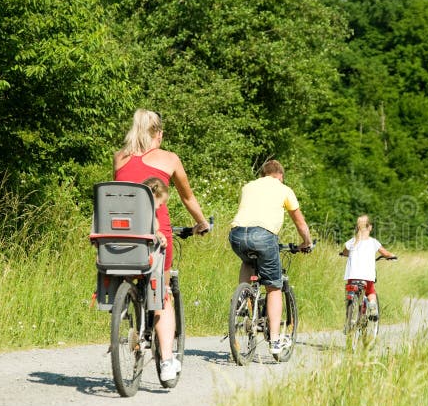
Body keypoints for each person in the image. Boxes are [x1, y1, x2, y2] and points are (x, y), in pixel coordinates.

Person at [114, 109, 211, 381]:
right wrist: (202, 223)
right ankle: (167, 361)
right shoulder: (169, 159)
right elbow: (187, 198)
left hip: (120, 239)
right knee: (163, 295)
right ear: (158, 134)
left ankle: (128, 308)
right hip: (156, 238)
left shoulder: (119, 157)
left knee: (133, 275)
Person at [229, 160, 313, 355]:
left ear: (262, 174)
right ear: (280, 175)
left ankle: (243, 299)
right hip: (264, 236)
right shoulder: (284, 189)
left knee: (247, 261)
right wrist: (306, 242)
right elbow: (300, 222)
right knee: (274, 286)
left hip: (237, 235)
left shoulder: (248, 186)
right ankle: (275, 341)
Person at [340, 215, 396, 318]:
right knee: (370, 291)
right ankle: (373, 307)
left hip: (352, 276)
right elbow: (385, 253)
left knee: (350, 292)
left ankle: (349, 316)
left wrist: (344, 254)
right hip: (367, 276)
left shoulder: (352, 241)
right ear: (369, 227)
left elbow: (345, 252)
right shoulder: (373, 242)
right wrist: (391, 256)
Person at [142, 176, 169, 249]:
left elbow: (154, 232)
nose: (160, 206)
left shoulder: (136, 210)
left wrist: (161, 236)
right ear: (154, 196)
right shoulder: (148, 215)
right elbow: (153, 231)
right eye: (160, 204)